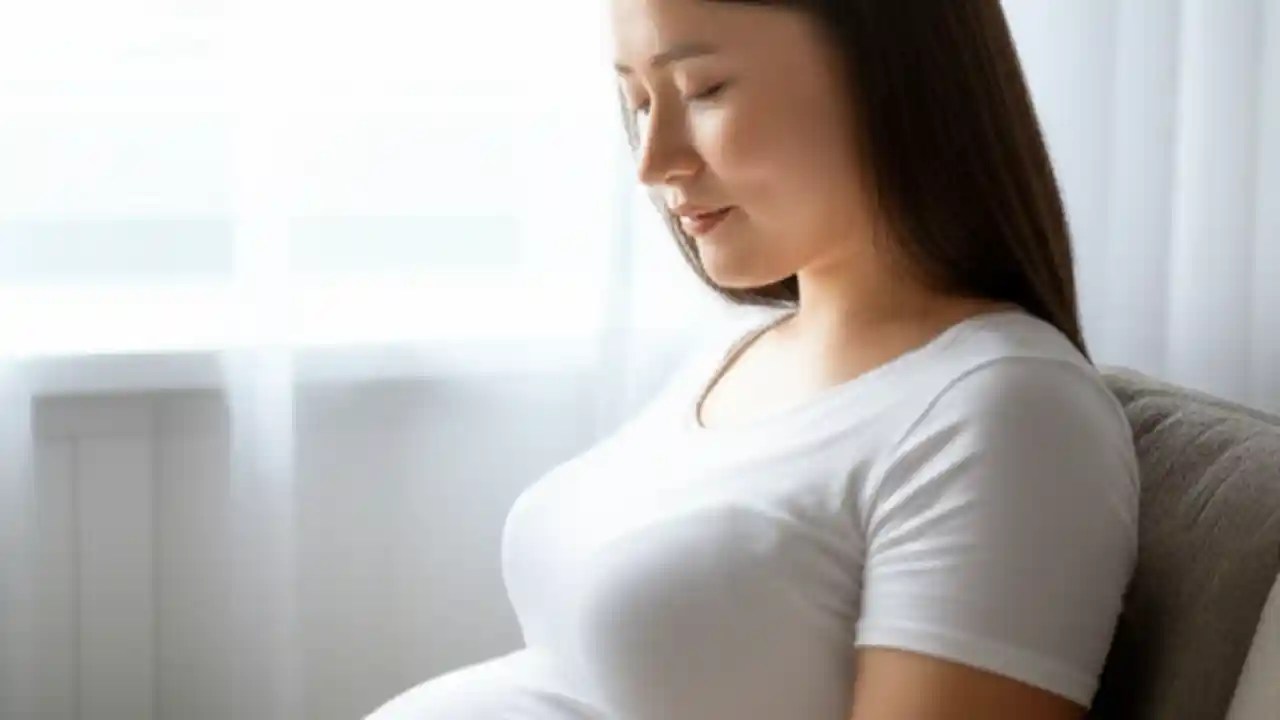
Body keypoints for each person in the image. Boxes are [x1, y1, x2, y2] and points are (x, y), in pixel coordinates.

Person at [367, 0, 1139, 718]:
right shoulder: (733, 357)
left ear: (893, 70)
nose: (653, 162)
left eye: (702, 90)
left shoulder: (1012, 413)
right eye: (639, 103)